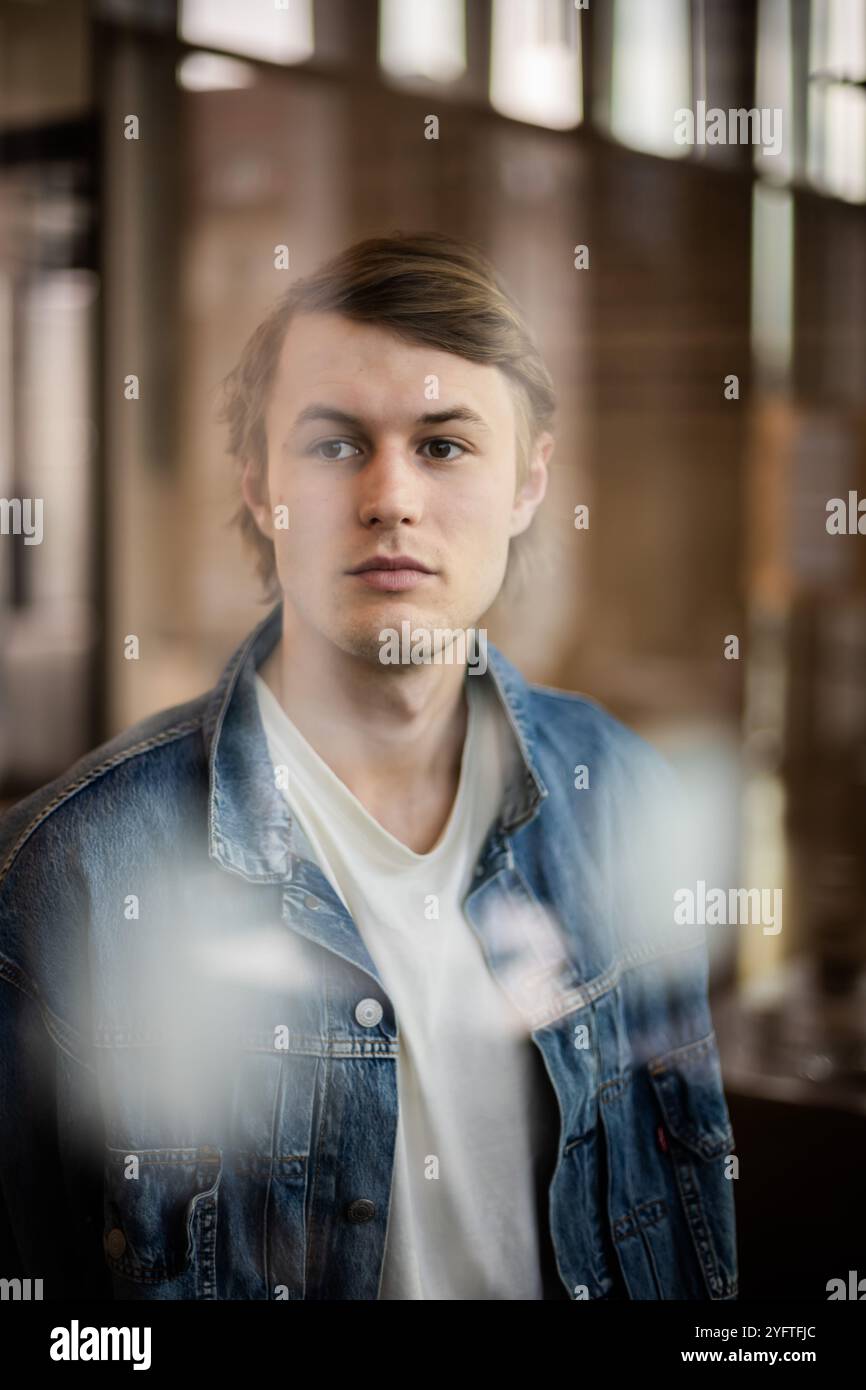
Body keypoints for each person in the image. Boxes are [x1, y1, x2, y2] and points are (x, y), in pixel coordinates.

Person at [0, 231, 737, 1301]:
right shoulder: (68, 874)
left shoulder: (623, 798)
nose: (390, 496)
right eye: (335, 444)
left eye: (443, 445)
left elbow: (693, 1236)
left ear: (529, 483)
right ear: (258, 485)